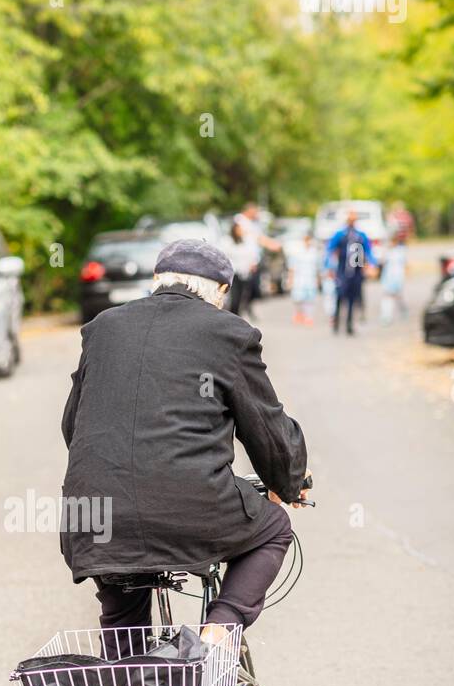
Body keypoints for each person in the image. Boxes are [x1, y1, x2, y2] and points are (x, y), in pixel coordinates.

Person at [60, 239, 309, 654]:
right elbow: (266, 426)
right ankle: (216, 636)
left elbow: (73, 425)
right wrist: (289, 479)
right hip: (189, 507)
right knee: (273, 529)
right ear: (221, 291)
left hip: (94, 514)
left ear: (158, 280)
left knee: (123, 613)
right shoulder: (229, 333)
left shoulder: (103, 328)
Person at [326, 209, 377, 335]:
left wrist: (372, 265)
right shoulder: (340, 235)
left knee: (352, 298)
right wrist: (329, 267)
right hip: (342, 270)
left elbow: (368, 252)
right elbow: (330, 250)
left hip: (356, 271)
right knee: (339, 296)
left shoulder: (360, 235)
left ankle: (349, 324)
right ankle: (336, 322)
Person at [233, 201, 281, 304]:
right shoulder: (240, 221)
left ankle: (246, 308)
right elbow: (255, 237)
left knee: (249, 289)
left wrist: (270, 243)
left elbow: (258, 237)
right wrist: (269, 244)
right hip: (241, 262)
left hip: (251, 261)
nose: (256, 214)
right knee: (242, 290)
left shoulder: (251, 223)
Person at [222, 219, 256, 315]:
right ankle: (233, 314)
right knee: (234, 296)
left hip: (244, 272)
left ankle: (238, 314)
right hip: (233, 272)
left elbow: (251, 254)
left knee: (243, 295)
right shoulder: (227, 241)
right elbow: (224, 255)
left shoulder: (245, 241)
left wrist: (252, 263)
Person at [288, 231, 319, 325]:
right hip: (299, 278)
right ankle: (299, 313)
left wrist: (318, 279)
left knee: (310, 299)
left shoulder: (314, 252)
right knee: (298, 298)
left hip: (310, 278)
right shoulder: (297, 251)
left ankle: (308, 316)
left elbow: (317, 267)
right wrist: (291, 279)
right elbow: (292, 267)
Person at [380, 233, 408, 324]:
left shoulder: (400, 251)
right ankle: (386, 316)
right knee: (387, 297)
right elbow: (382, 262)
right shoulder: (387, 251)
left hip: (398, 277)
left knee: (398, 296)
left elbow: (404, 264)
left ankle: (404, 310)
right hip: (388, 277)